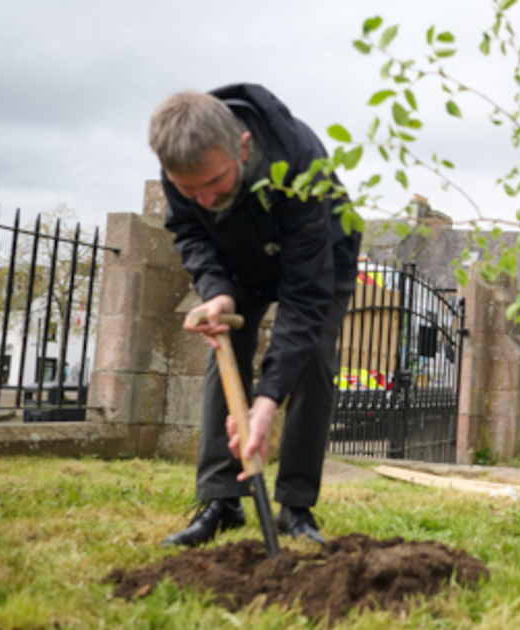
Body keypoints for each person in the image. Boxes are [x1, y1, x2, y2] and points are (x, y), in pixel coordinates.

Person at [150, 84, 361, 547]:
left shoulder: (299, 163)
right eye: (189, 189)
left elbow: (305, 296)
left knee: (312, 358)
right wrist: (218, 293)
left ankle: (296, 507)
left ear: (242, 148)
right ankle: (222, 500)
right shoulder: (179, 159)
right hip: (238, 258)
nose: (204, 198)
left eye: (214, 182)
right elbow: (188, 228)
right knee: (224, 346)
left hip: (322, 255)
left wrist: (265, 404)